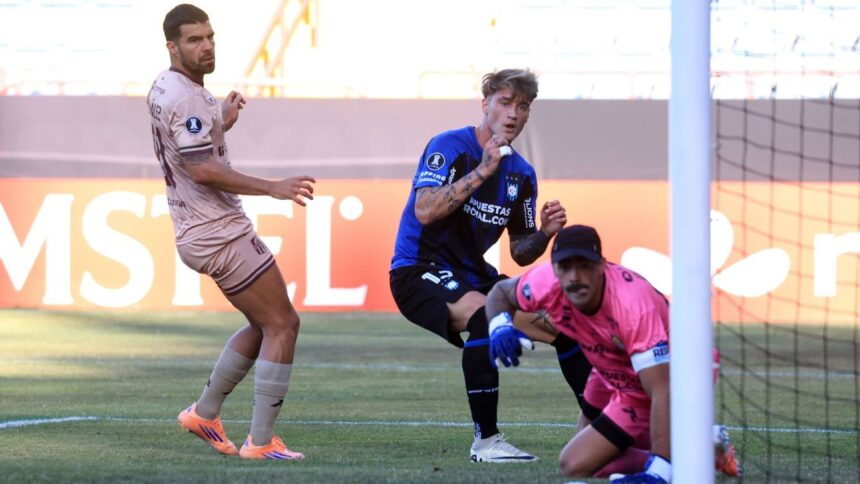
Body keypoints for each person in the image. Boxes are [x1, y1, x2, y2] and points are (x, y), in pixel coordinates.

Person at [389, 68, 592, 463]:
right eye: (504, 102)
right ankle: (486, 441)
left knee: (569, 326)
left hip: (471, 275)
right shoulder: (450, 146)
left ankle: (601, 425)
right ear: (485, 105)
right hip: (417, 269)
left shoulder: (523, 175)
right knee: (486, 316)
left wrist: (545, 233)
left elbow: (520, 252)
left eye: (523, 106)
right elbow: (425, 210)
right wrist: (484, 170)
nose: (513, 113)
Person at [148, 4, 315, 461]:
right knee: (283, 324)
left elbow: (192, 145)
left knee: (264, 324)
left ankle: (204, 413)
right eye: (194, 40)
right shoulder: (185, 97)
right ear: (172, 46)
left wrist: (221, 119)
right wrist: (273, 188)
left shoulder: (168, 87)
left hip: (198, 228)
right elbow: (201, 170)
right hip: (217, 230)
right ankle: (261, 443)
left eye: (210, 37)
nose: (206, 47)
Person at [484, 224, 742, 481]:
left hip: (681, 371)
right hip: (613, 365)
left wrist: (660, 472)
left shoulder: (632, 305)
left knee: (644, 445)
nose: (574, 276)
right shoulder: (544, 282)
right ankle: (702, 450)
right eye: (565, 267)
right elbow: (500, 292)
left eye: (584, 265)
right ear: (554, 269)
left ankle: (678, 457)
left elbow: (661, 390)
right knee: (575, 464)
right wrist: (499, 325)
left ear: (601, 266)